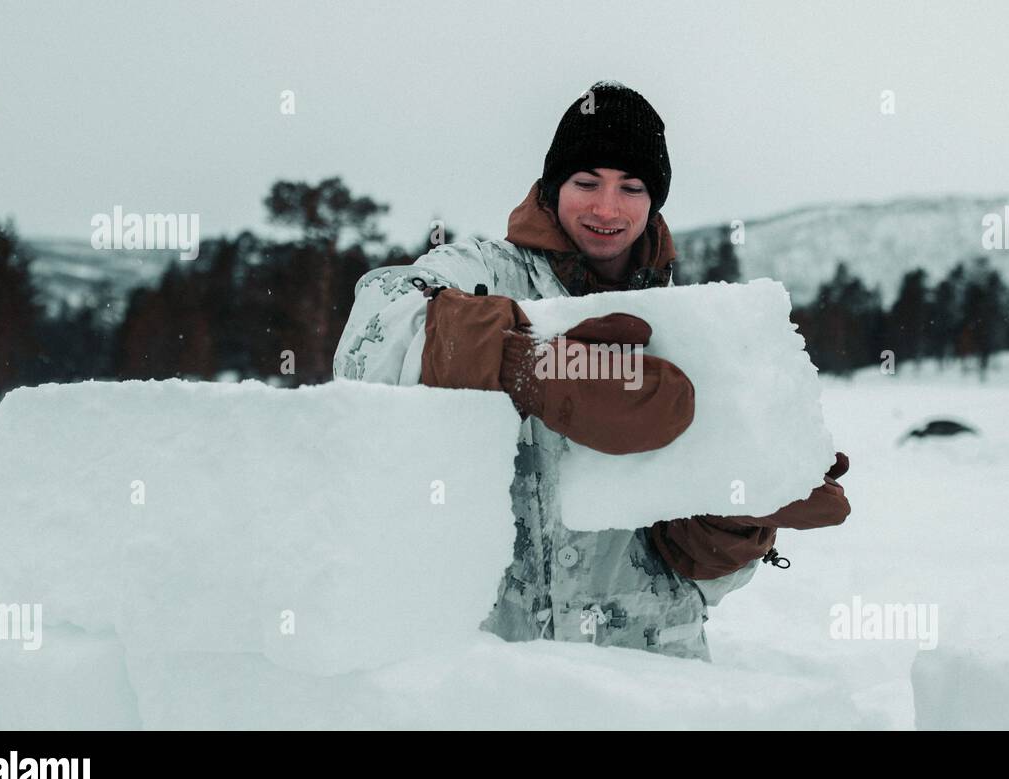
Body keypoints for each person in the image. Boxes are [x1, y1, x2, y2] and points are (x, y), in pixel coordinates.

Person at [333, 80, 850, 662]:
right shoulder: (484, 273)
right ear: (553, 189)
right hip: (491, 670)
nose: (607, 208)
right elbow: (369, 336)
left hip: (650, 673)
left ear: (654, 201)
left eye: (631, 187)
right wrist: (524, 364)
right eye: (586, 183)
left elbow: (699, 583)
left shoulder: (697, 326)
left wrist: (733, 524)